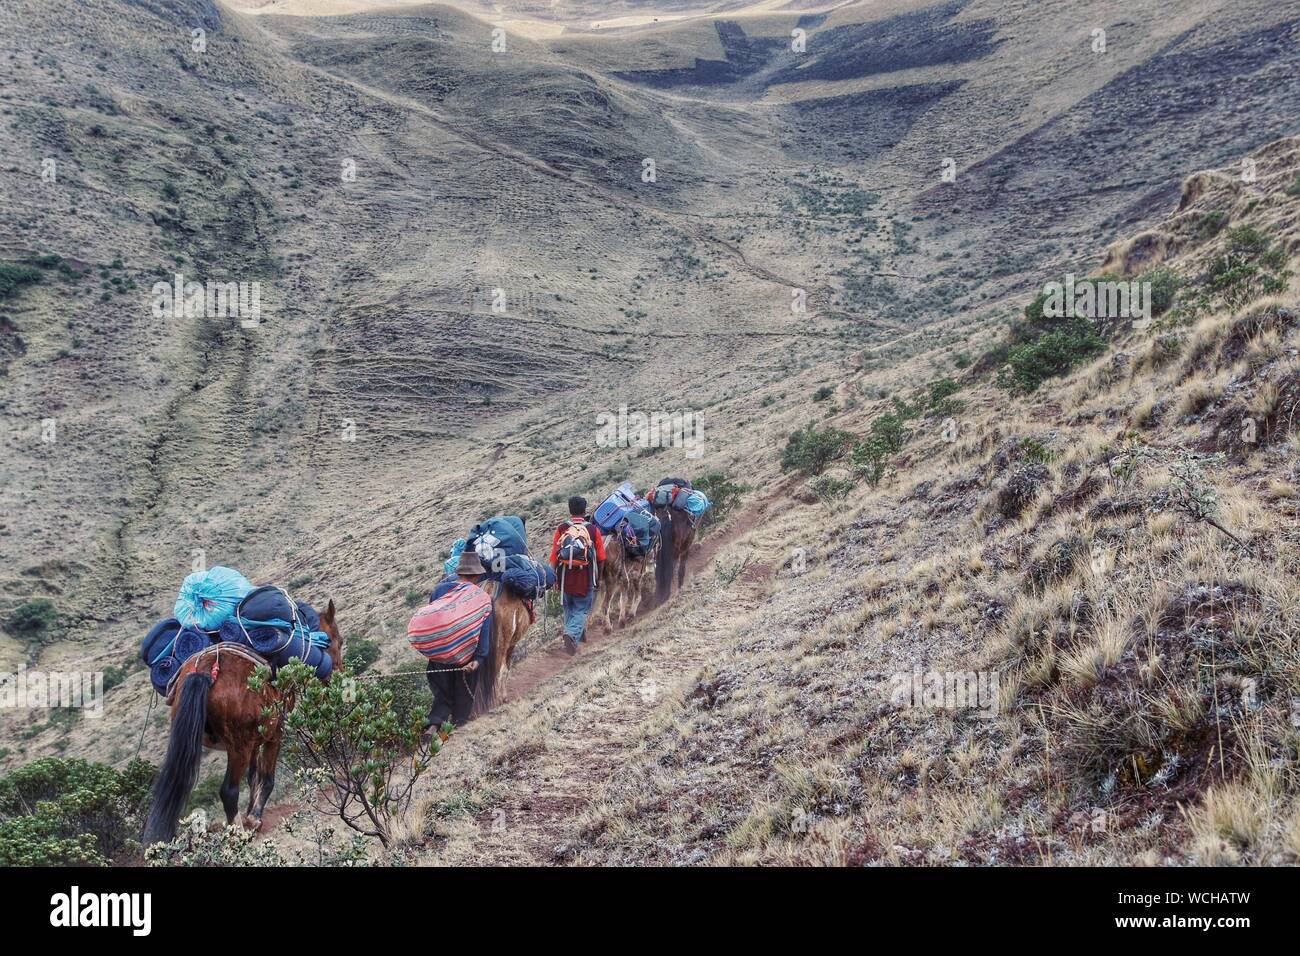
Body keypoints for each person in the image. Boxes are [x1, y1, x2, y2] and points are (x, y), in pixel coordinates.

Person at [426, 550, 492, 731]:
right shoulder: (480, 597)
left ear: (459, 572)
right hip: (466, 658)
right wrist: (479, 659)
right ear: (478, 575)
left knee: (442, 693)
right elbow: (483, 632)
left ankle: (434, 725)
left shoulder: (439, 590)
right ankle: (457, 729)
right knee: (463, 696)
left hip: (439, 655)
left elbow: (432, 619)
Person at [549, 495, 605, 655]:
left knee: (569, 607)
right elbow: (601, 557)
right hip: (585, 577)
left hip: (564, 576)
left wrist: (553, 577)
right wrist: (599, 577)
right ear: (584, 509)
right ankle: (571, 635)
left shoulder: (562, 528)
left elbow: (554, 555)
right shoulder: (593, 530)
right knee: (581, 609)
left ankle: (572, 637)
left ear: (570, 510)